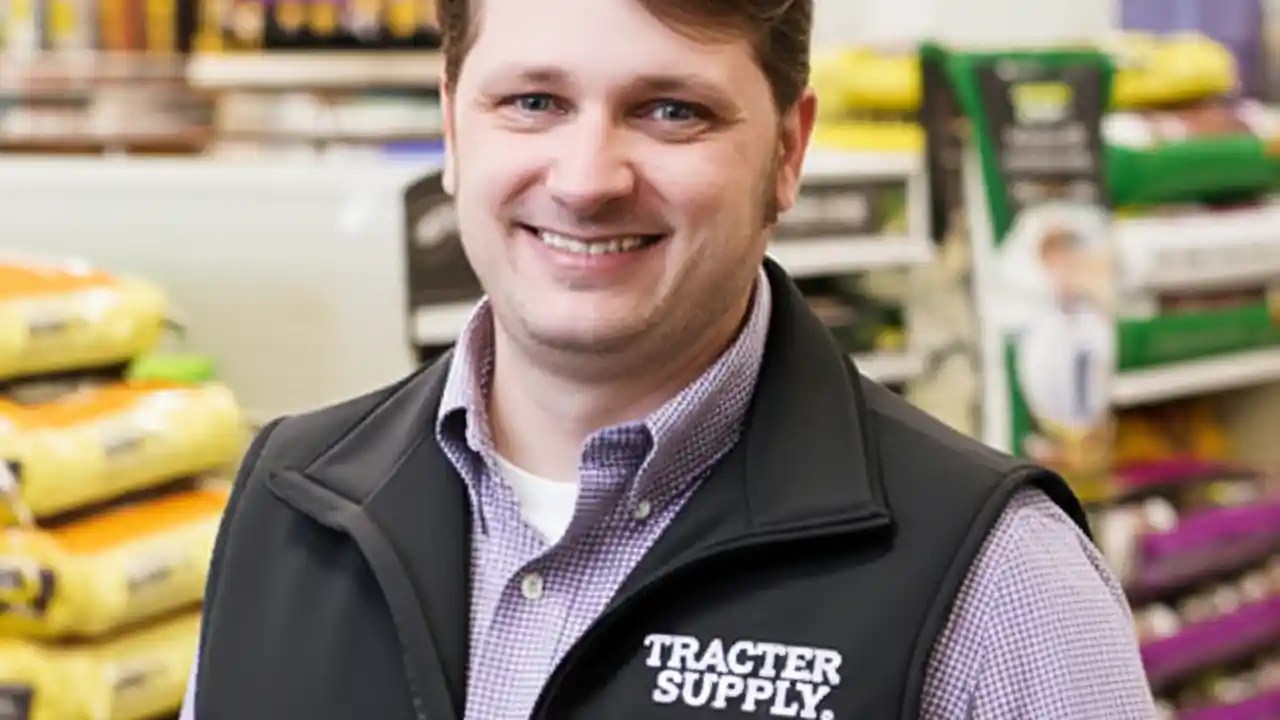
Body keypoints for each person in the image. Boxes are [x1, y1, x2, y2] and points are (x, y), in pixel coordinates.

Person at [180, 0, 1158, 718]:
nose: (586, 181)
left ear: (786, 151)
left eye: (671, 111)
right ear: (452, 127)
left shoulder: (996, 582)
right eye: (532, 101)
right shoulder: (284, 508)